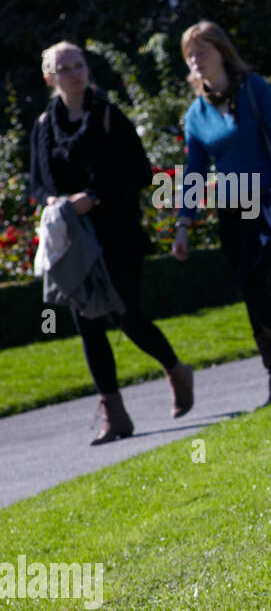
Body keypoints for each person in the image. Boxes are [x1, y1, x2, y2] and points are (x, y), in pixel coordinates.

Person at [30, 41, 194, 445]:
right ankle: (115, 415)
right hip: (73, 241)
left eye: (79, 65)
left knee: (128, 316)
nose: (73, 73)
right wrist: (54, 200)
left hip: (116, 235)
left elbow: (140, 172)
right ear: (50, 77)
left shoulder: (107, 115)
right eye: (64, 68)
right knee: (87, 325)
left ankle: (175, 369)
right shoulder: (42, 126)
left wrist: (96, 196)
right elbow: (37, 181)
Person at [171, 20, 271, 407]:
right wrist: (183, 225)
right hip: (232, 207)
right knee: (248, 290)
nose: (195, 60)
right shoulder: (197, 114)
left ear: (222, 51)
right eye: (189, 55)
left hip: (268, 200)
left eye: (201, 51)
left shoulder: (255, 88)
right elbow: (195, 173)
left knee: (253, 284)